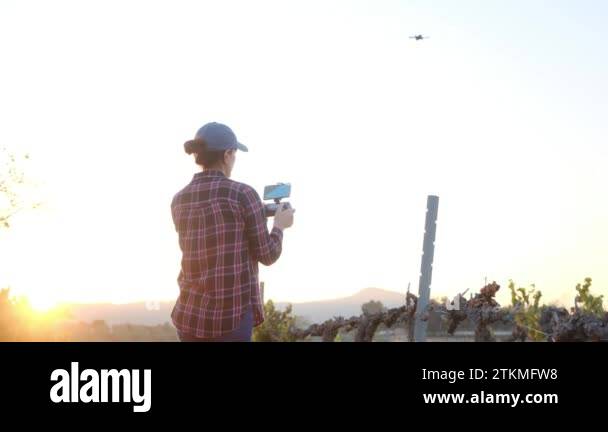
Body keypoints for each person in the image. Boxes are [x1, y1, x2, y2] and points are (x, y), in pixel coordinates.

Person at [171, 122, 294, 342]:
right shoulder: (242, 194)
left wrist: (256, 213)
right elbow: (268, 255)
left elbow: (211, 234)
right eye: (235, 153)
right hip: (229, 319)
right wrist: (279, 226)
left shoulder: (179, 200)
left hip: (189, 315)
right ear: (227, 154)